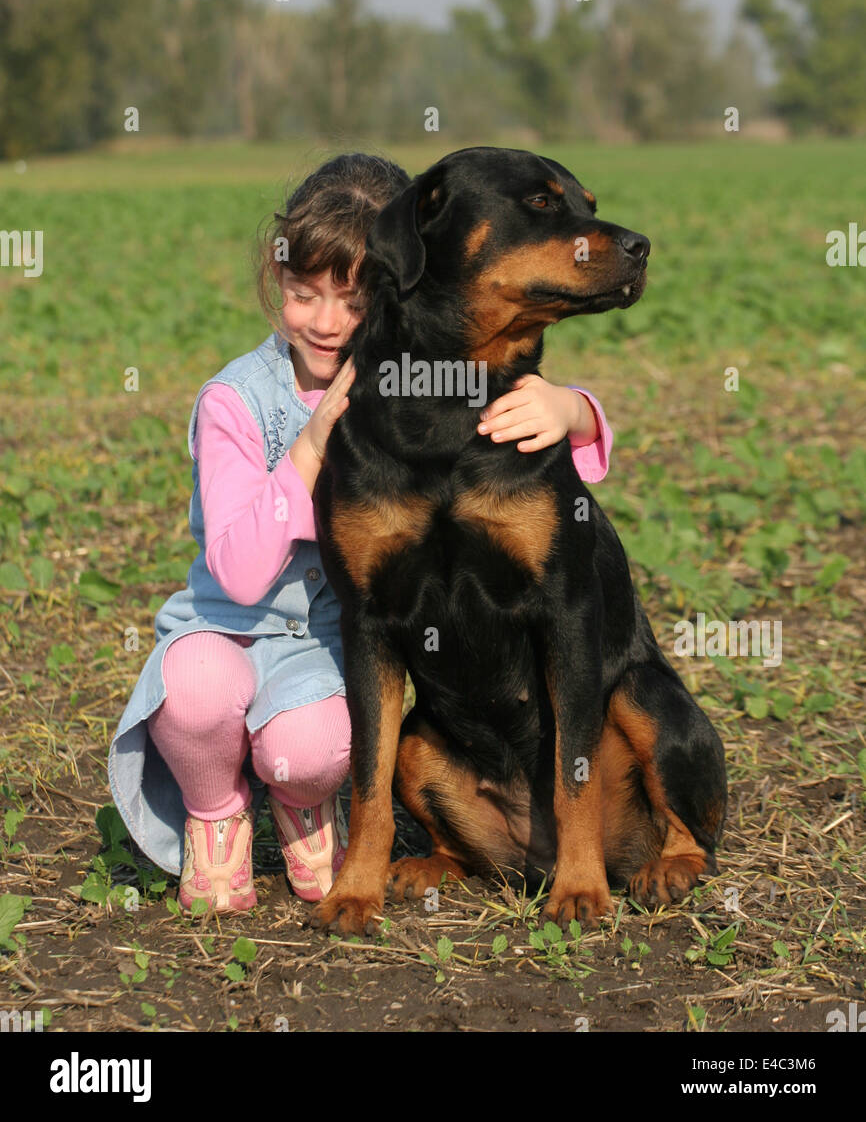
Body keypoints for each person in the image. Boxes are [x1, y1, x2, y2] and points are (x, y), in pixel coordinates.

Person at [107, 153, 614, 914]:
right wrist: (309, 448)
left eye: (354, 298)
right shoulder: (237, 403)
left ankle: (306, 806)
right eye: (304, 293)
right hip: (230, 630)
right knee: (198, 689)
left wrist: (574, 407)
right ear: (277, 280)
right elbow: (242, 574)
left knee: (311, 745)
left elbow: (485, 400)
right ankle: (216, 817)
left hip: (315, 650)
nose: (328, 321)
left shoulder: (411, 375)